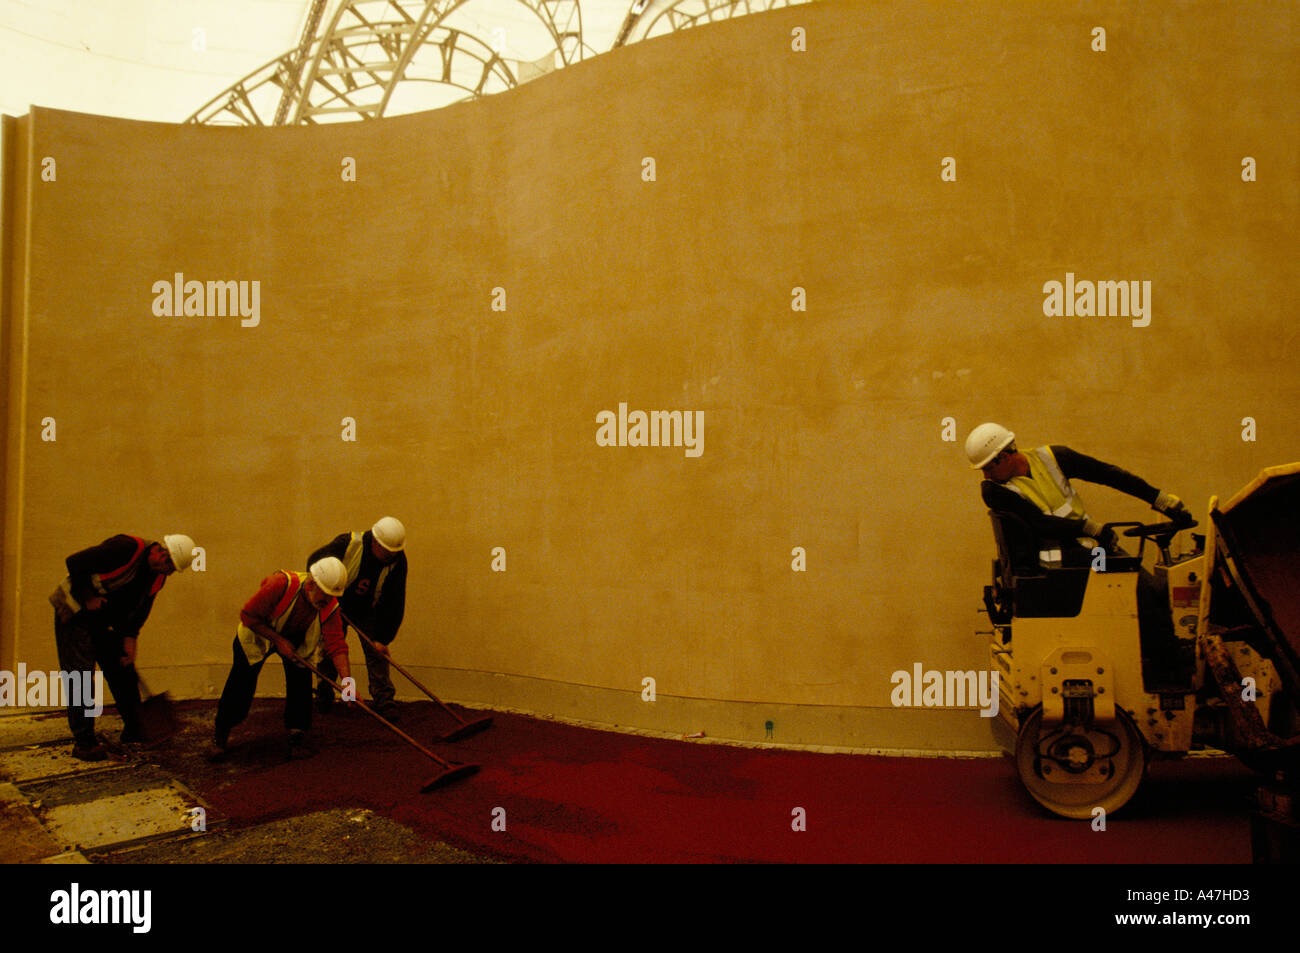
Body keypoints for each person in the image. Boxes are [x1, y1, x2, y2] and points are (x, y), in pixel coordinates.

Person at [50, 533, 196, 760]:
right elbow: (74, 561)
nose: (167, 570)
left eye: (172, 569)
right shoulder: (126, 547)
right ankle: (84, 742)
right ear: (159, 550)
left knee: (122, 671)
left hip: (101, 620)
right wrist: (88, 597)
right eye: (168, 564)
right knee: (80, 675)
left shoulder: (157, 578)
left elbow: (139, 612)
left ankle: (135, 729)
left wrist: (130, 641)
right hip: (76, 613)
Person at [963, 423, 1192, 568]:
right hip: (1054, 560)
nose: (986, 475)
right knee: (1136, 584)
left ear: (1004, 456)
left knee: (1130, 571)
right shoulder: (995, 491)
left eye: (988, 467)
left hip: (1082, 549)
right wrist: (1089, 528)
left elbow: (1108, 475)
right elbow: (1040, 524)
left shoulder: (1053, 458)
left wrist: (1158, 499)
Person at [207, 557, 354, 761]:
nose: (327, 602)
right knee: (241, 684)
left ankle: (297, 735)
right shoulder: (279, 585)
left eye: (332, 597)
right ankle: (220, 734)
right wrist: (278, 640)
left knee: (301, 684)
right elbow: (248, 616)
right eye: (325, 596)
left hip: (297, 641)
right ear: (311, 584)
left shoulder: (329, 605)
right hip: (257, 634)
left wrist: (348, 683)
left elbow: (337, 644)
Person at [308, 517, 408, 718]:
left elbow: (395, 600)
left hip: (368, 609)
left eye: (394, 552)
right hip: (335, 605)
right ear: (375, 543)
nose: (391, 556)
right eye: (387, 551)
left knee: (377, 653)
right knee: (331, 649)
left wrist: (383, 638)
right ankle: (326, 695)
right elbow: (315, 564)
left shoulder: (397, 561)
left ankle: (384, 700)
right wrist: (325, 597)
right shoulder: (347, 544)